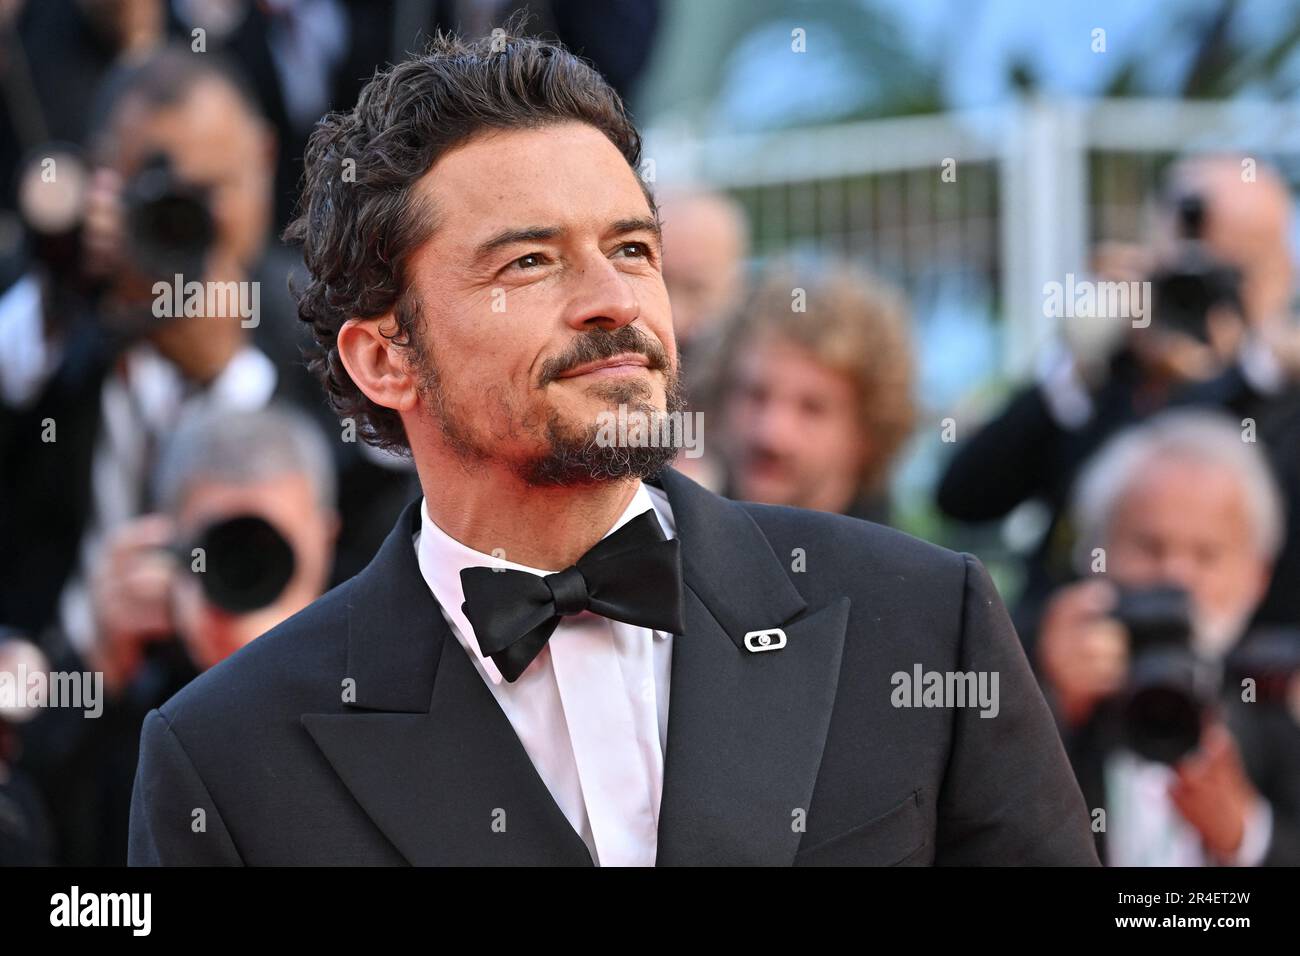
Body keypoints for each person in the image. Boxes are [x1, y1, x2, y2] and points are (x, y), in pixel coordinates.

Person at [128, 27, 1097, 867]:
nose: (615, 300)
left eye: (632, 248)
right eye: (530, 261)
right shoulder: (228, 751)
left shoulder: (921, 620)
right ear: (386, 356)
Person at [18, 404, 338, 865]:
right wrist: (98, 671)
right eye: (222, 547)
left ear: (326, 538)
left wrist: (271, 671)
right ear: (172, 547)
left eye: (267, 550)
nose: (241, 574)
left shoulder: (375, 671)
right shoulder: (136, 677)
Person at [1036, 410, 1300, 865]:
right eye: (1149, 547)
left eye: (1207, 554)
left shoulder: (1277, 698)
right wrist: (1046, 708)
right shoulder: (1022, 664)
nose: (1176, 575)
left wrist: (1243, 833)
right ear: (1092, 554)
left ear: (1258, 576)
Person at [714, 260, 916, 523]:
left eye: (812, 408)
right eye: (755, 395)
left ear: (867, 435)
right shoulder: (675, 541)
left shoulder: (893, 563)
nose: (772, 433)